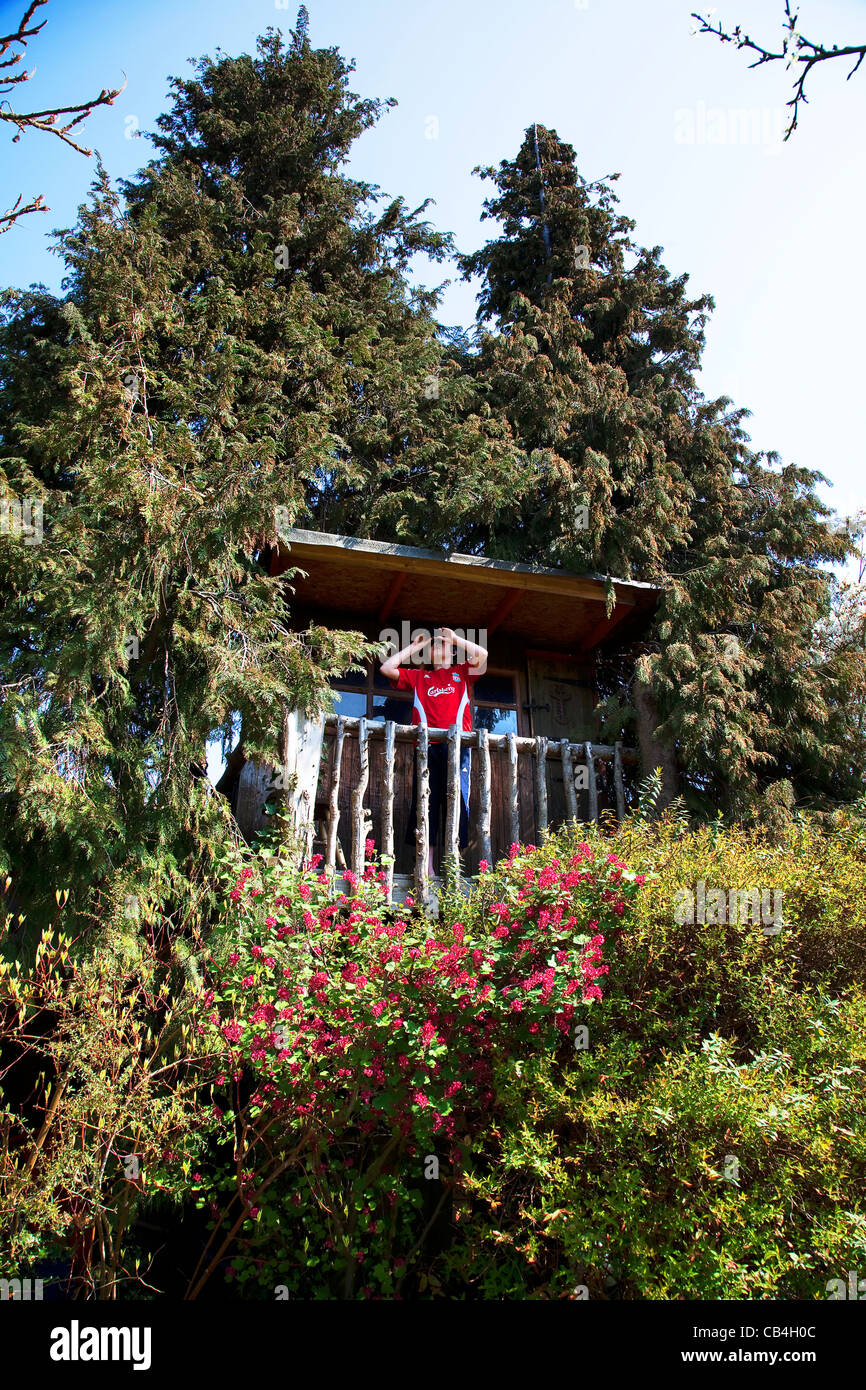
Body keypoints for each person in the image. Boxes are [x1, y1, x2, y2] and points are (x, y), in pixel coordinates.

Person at [380, 627, 489, 875]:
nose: (437, 647)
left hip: (457, 750)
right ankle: (427, 867)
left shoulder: (462, 673)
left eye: (443, 645)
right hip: (426, 750)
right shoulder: (420, 678)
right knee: (426, 805)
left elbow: (482, 654)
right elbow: (387, 669)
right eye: (434, 645)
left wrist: (456, 639)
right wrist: (415, 647)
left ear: (452, 652)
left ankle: (453, 866)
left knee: (457, 804)